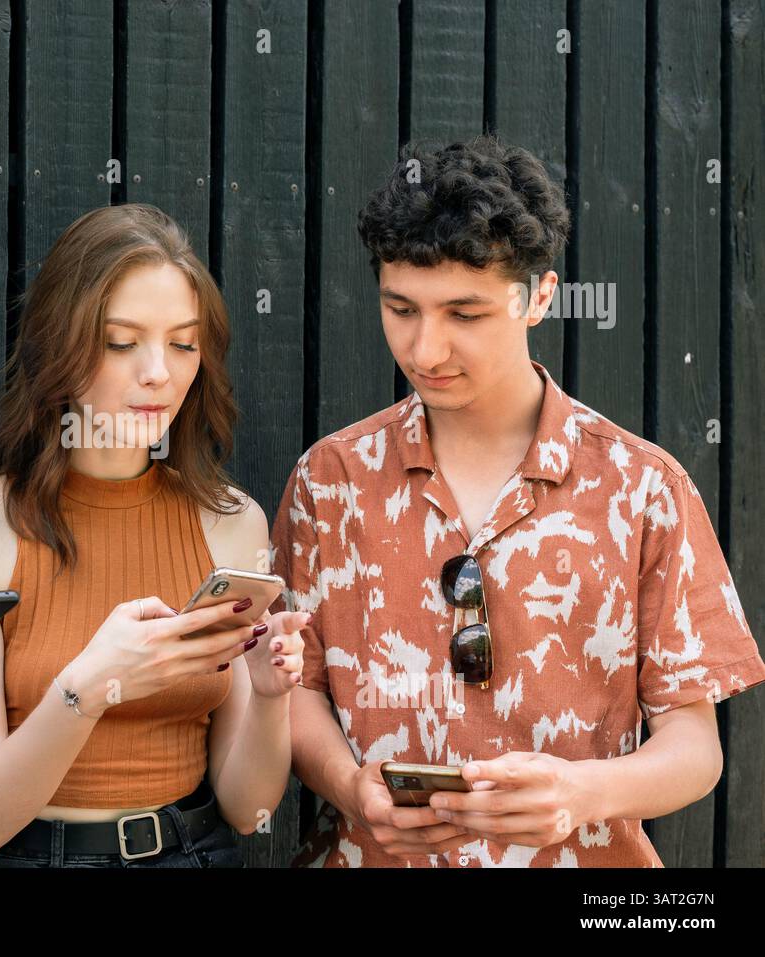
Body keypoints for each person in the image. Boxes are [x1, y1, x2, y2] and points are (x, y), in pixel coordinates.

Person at [271, 135, 765, 868]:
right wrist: (348, 784)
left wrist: (583, 791)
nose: (425, 349)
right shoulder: (329, 480)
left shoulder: (643, 487)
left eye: (464, 314)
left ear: (540, 295)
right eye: (400, 307)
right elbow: (292, 691)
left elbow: (695, 749)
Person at [0, 203, 308, 867]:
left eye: (183, 344)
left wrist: (270, 698)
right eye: (122, 342)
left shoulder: (233, 521)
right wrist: (90, 686)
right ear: (59, 347)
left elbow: (249, 807)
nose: (159, 371)